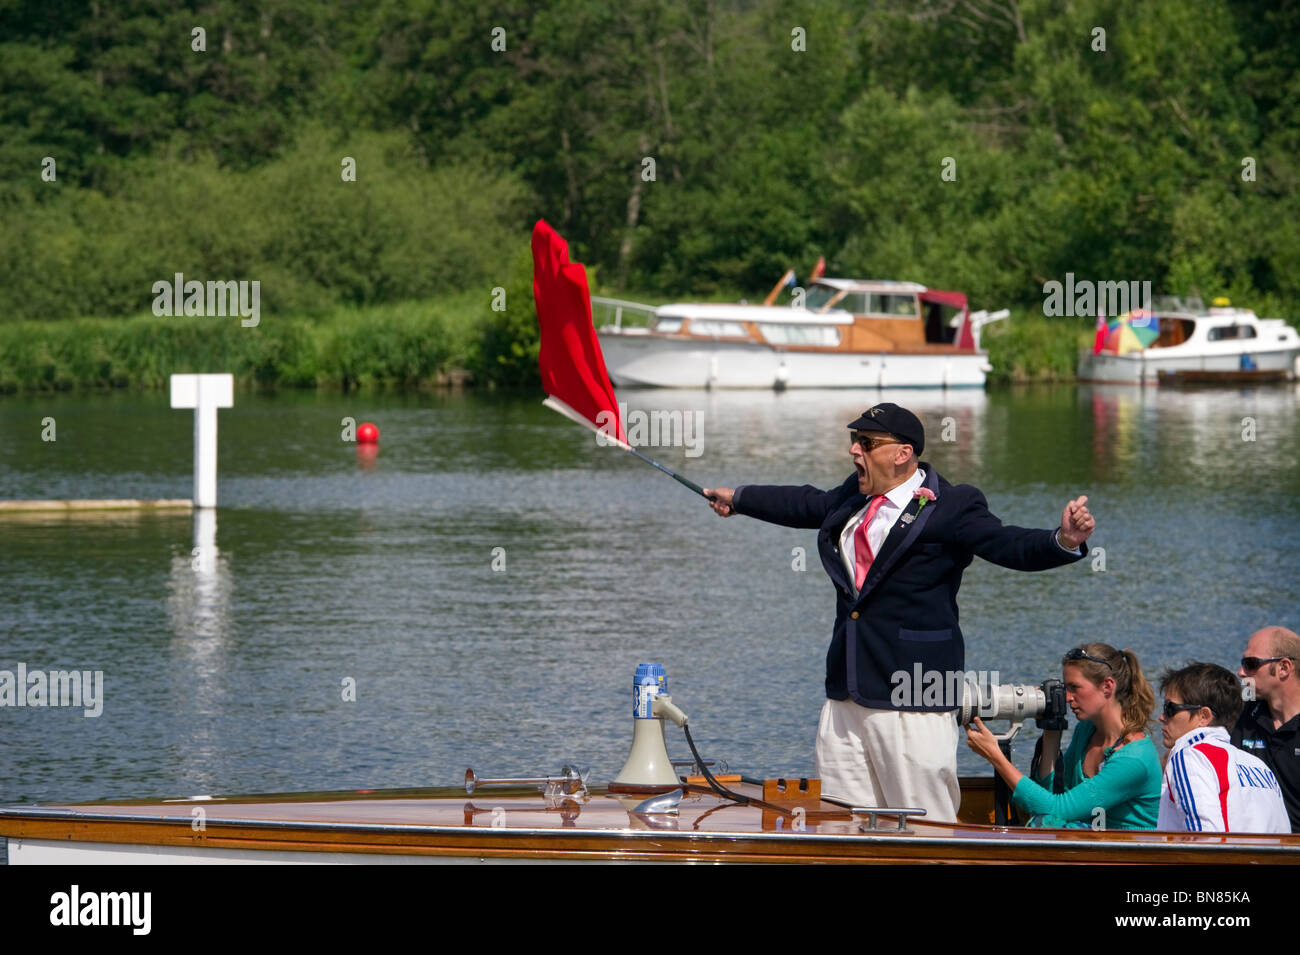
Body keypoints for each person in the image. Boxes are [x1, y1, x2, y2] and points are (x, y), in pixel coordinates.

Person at [704, 402, 1094, 821]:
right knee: (842, 826)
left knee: (926, 827)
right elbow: (806, 503)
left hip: (916, 696)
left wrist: (1063, 540)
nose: (855, 450)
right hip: (847, 693)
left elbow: (1007, 544)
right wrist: (740, 498)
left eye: (867, 443)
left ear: (902, 453)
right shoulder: (854, 496)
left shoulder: (953, 506)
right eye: (854, 440)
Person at [966, 643, 1162, 828]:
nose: (1067, 698)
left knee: (1043, 824)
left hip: (1128, 854)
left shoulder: (1133, 759)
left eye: (1074, 687)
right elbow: (1050, 795)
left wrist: (995, 757)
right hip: (1094, 842)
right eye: (1065, 688)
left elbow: (1056, 809)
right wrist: (1051, 730)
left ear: (1107, 686)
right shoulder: (1086, 731)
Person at [1156, 662, 1289, 833]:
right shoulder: (1259, 766)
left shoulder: (1191, 755)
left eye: (1170, 708)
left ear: (1203, 716)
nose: (1161, 717)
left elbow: (1204, 840)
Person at [1232, 626, 1300, 831]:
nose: (1241, 672)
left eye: (1251, 664)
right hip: (1251, 849)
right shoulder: (1243, 715)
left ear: (1284, 668)